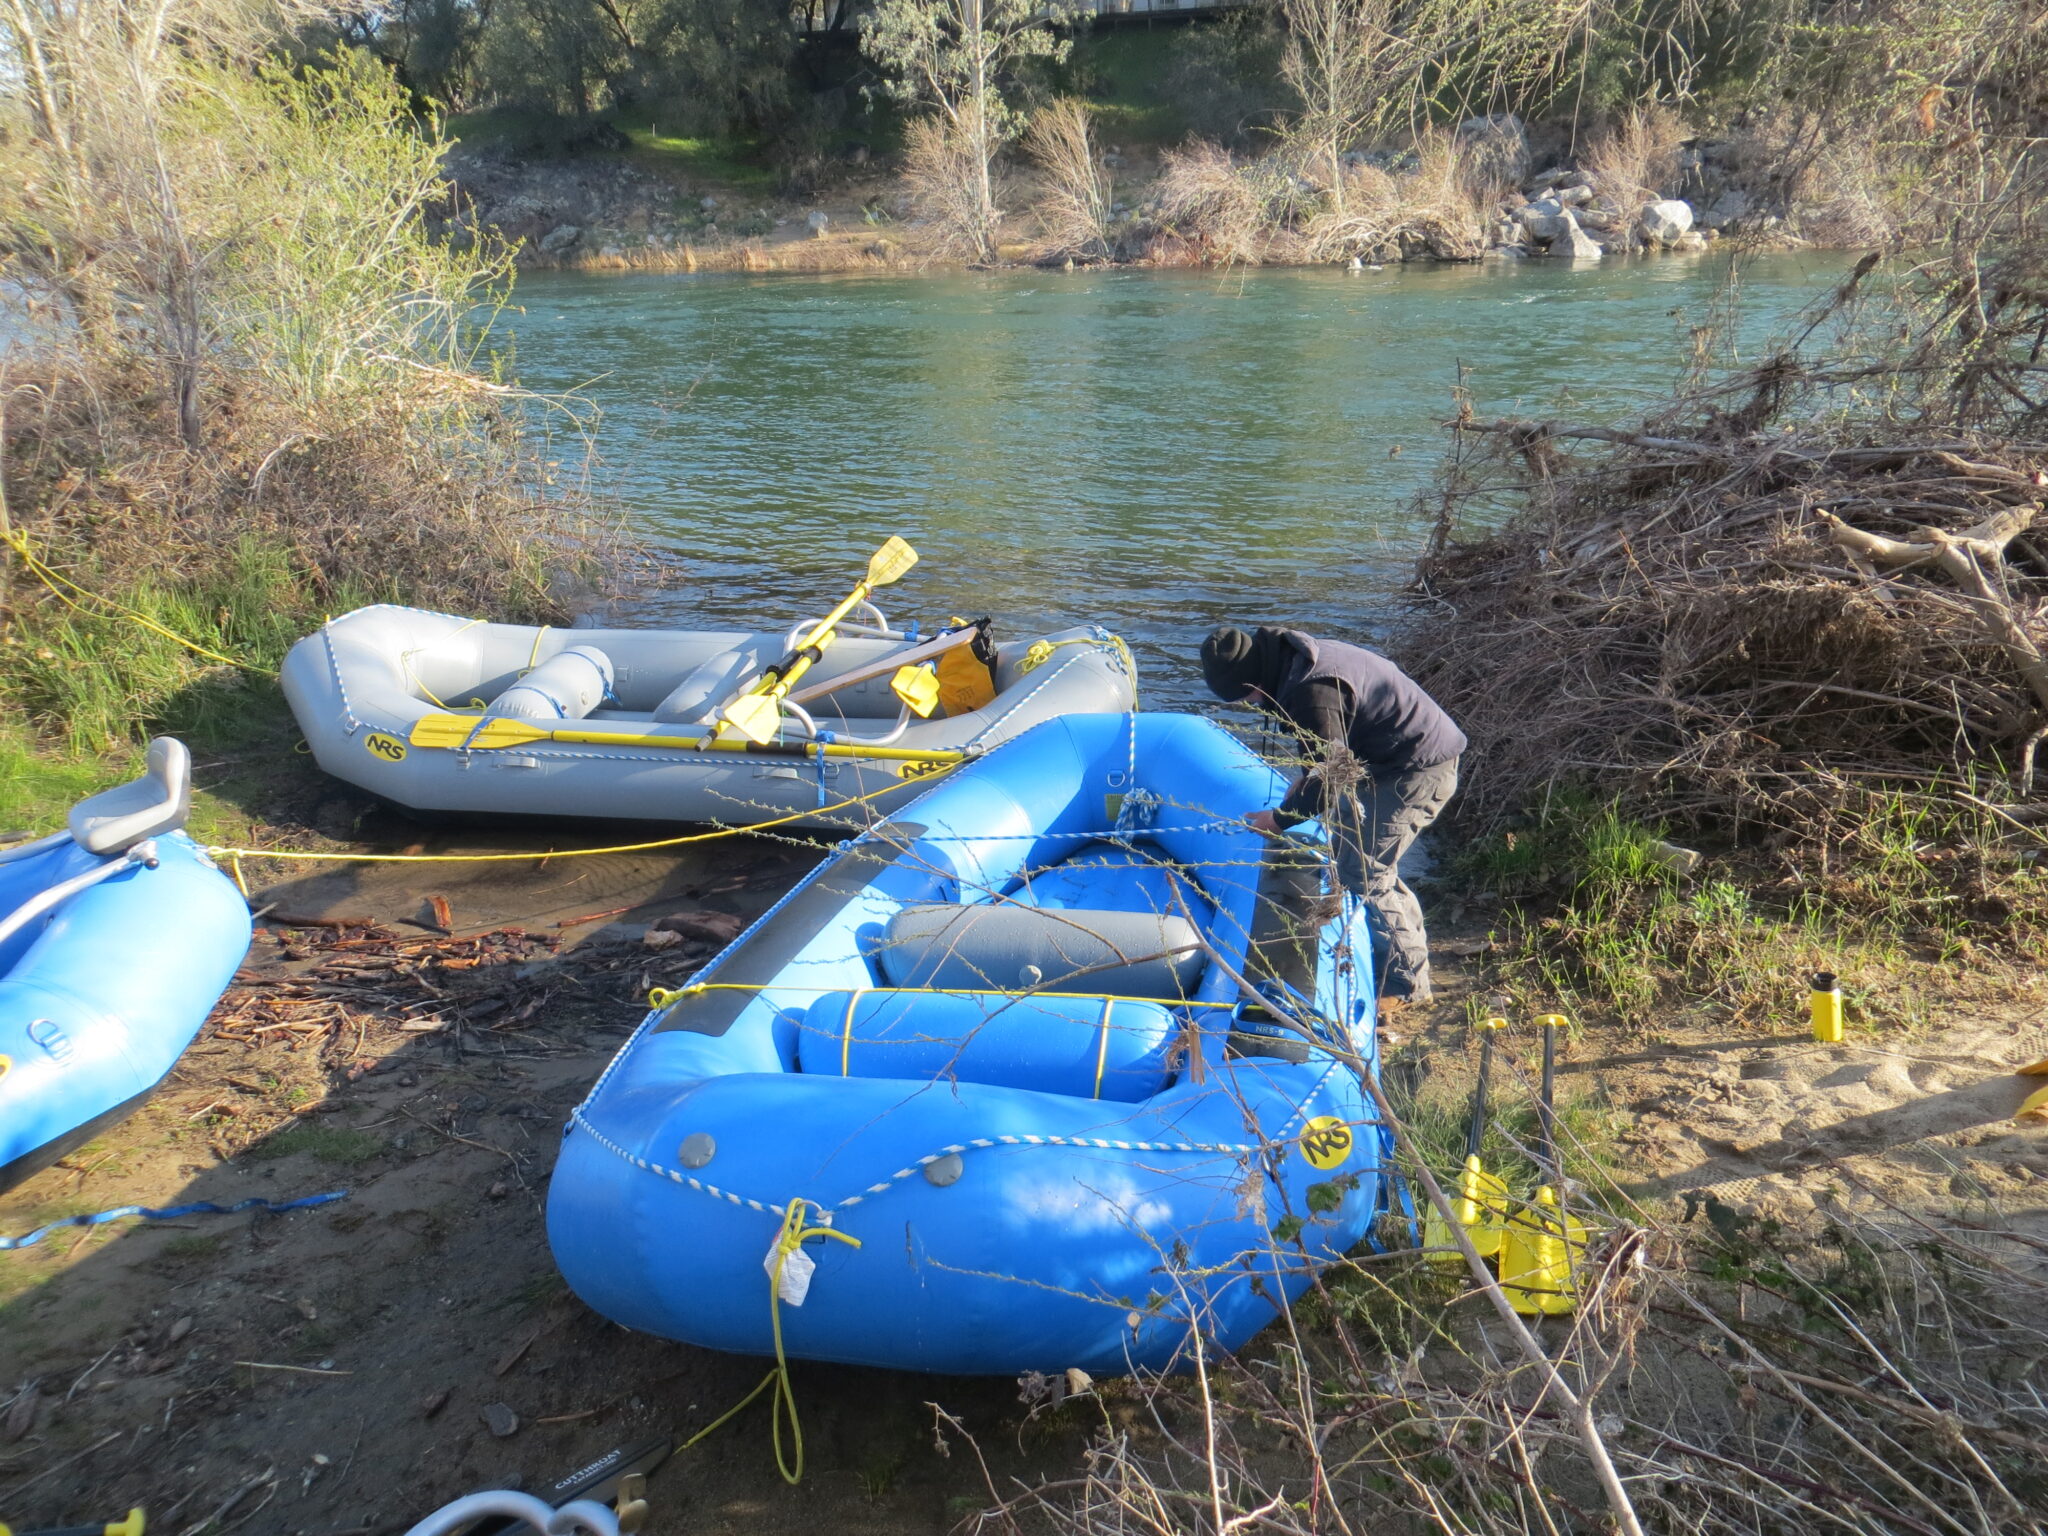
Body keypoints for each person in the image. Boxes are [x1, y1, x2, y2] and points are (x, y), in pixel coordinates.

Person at [1199, 625, 1465, 1001]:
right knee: (1366, 865)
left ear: (1253, 682)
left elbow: (1333, 775)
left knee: (1365, 876)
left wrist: (1279, 819)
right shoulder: (1288, 660)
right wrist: (1306, 776)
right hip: (1385, 757)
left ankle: (1405, 986)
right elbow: (1328, 749)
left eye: (1247, 698)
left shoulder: (1310, 691)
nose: (1251, 705)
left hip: (1416, 768)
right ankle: (1395, 957)